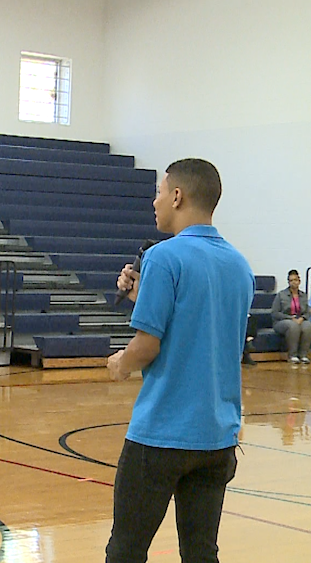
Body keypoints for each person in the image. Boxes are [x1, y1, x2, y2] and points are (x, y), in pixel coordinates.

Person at [104, 159, 255, 563]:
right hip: (217, 437)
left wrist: (121, 363)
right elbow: (200, 326)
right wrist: (144, 296)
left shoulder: (163, 257)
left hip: (161, 434)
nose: (154, 202)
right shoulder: (240, 266)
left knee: (126, 550)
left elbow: (147, 347)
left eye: (158, 192)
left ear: (176, 196)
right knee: (201, 552)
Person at [271, 269, 311, 364]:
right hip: (282, 321)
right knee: (293, 325)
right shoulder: (281, 295)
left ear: (299, 281)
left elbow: (307, 311)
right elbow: (275, 313)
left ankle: (303, 355)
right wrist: (291, 318)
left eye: (295, 280)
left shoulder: (303, 295)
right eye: (291, 280)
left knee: (308, 325)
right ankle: (292, 355)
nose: (293, 282)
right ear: (288, 282)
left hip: (299, 320)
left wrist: (302, 318)